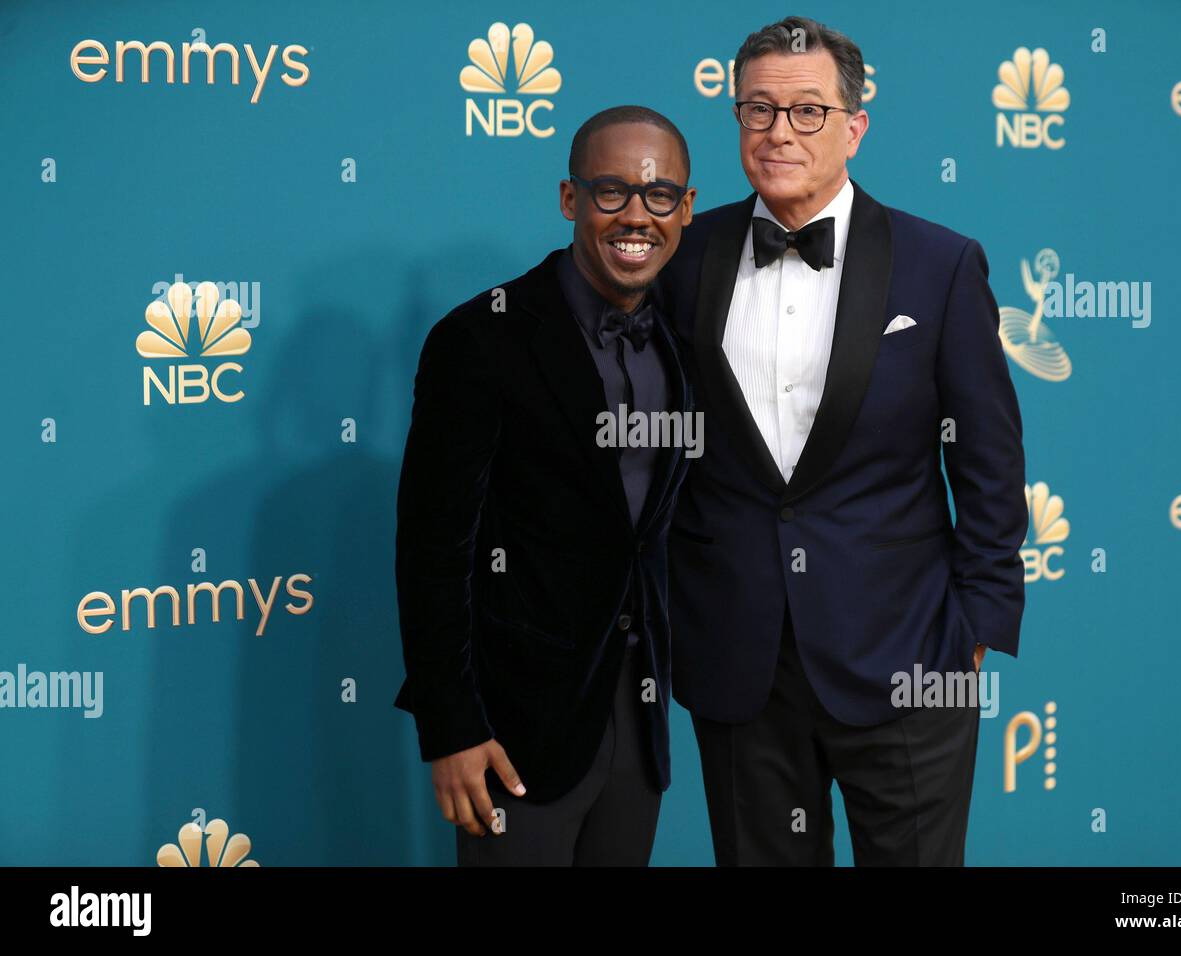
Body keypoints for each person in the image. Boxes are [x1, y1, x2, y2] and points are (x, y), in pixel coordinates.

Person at [655, 16, 1028, 866]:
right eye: (759, 110)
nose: (780, 131)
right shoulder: (685, 257)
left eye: (808, 110)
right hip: (740, 659)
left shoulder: (940, 263)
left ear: (855, 126)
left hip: (909, 657)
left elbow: (990, 461)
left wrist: (973, 629)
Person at [393, 105, 696, 865]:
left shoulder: (685, 342)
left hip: (640, 716)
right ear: (570, 199)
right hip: (515, 732)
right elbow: (432, 550)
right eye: (611, 191)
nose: (637, 215)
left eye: (660, 196)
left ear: (686, 209)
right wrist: (452, 726)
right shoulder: (482, 337)